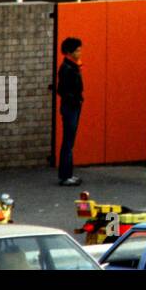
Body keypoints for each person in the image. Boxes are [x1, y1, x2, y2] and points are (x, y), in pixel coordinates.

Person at [55, 36, 84, 186]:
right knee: (68, 142)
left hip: (73, 106)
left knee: (69, 141)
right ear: (69, 52)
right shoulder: (67, 68)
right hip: (70, 107)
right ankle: (66, 175)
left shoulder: (73, 66)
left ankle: (67, 174)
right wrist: (75, 100)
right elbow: (63, 89)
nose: (80, 53)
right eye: (77, 50)